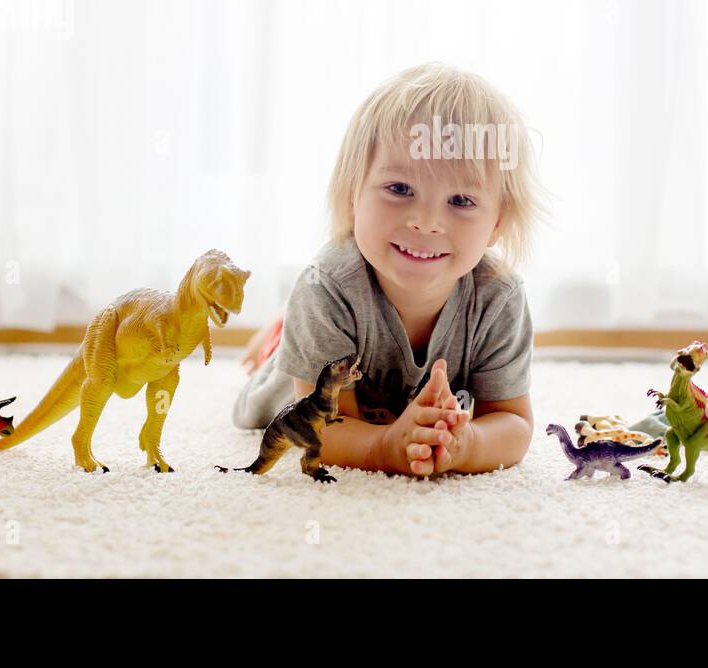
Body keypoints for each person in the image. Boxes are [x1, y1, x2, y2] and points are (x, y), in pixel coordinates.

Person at [232, 62, 546, 476]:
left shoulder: (498, 296)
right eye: (400, 189)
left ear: (498, 223)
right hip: (303, 382)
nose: (427, 222)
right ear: (351, 197)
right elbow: (323, 429)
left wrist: (468, 445)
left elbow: (514, 422)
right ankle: (282, 335)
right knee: (258, 401)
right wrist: (384, 447)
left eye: (461, 201)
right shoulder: (328, 288)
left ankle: (285, 326)